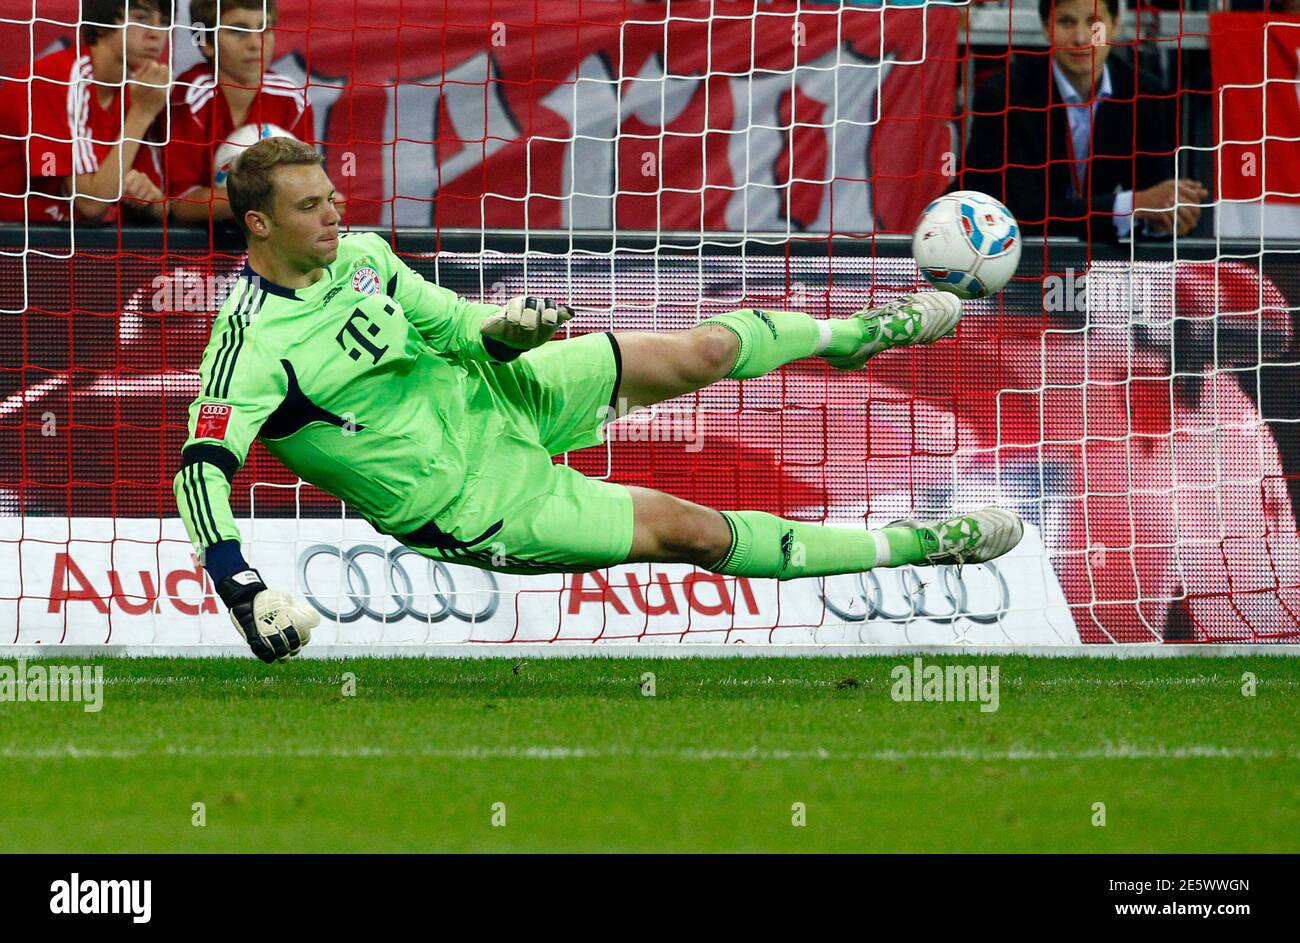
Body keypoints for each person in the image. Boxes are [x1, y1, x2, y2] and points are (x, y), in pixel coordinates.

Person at [173, 137, 1025, 662]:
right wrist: (240, 585)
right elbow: (199, 470)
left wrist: (511, 328)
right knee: (692, 530)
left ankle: (857, 335)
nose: (335, 211)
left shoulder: (362, 254)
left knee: (707, 347)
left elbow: (459, 328)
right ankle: (919, 543)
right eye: (310, 205)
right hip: (478, 502)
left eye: (330, 194)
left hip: (501, 391)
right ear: (258, 224)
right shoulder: (248, 348)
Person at [961, 0, 1207, 242]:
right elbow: (1017, 213)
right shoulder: (1004, 95)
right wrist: (1130, 205)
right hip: (984, 246)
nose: (1081, 38)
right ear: (1047, 28)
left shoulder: (1145, 93)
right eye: (1067, 22)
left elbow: (1152, 197)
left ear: (1115, 25)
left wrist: (1168, 215)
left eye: (1094, 22)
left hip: (1093, 258)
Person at [0, 0, 170, 224]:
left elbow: (164, 208)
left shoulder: (140, 92)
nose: (156, 34)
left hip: (82, 245)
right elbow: (90, 204)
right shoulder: (53, 78)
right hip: (16, 242)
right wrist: (141, 115)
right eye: (141, 19)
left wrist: (148, 199)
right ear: (100, 24)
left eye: (165, 23)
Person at [167, 0, 313, 224]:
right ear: (207, 42)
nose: (256, 44)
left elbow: (308, 188)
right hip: (201, 247)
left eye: (265, 29)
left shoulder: (294, 100)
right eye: (238, 30)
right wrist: (272, 193)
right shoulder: (188, 98)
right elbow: (181, 203)